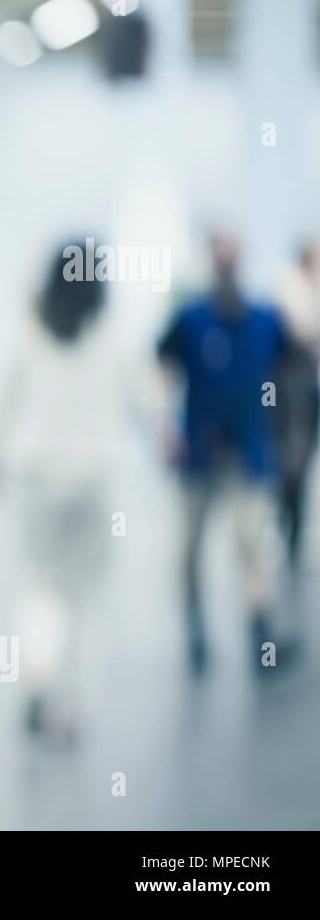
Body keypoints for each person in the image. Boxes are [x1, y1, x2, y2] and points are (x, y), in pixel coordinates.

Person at [0, 240, 128, 746]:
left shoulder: (31, 332)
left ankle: (38, 681)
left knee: (40, 587)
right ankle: (69, 707)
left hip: (37, 478)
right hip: (92, 481)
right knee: (85, 598)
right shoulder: (109, 335)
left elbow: (3, 401)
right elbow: (137, 400)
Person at [157, 231, 291, 676]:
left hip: (249, 451)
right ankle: (196, 633)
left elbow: (292, 369)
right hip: (200, 453)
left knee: (251, 545)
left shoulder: (264, 320)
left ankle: (261, 638)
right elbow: (161, 366)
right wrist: (168, 428)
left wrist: (288, 435)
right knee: (191, 548)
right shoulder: (190, 320)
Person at [273, 242, 320, 571]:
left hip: (309, 388)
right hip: (294, 391)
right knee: (294, 462)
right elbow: (296, 332)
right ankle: (288, 537)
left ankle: (295, 538)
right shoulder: (291, 285)